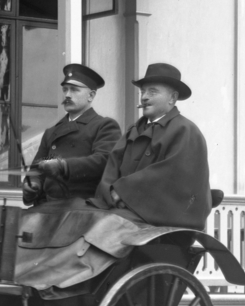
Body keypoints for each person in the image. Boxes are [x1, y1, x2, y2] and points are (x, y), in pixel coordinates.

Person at [90, 62, 211, 230]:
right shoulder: (134, 130)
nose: (144, 97)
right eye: (143, 91)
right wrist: (110, 194)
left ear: (172, 98)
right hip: (122, 212)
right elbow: (112, 166)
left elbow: (171, 175)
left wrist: (123, 193)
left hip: (161, 220)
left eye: (152, 91)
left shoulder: (186, 131)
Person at [23, 63, 121, 208]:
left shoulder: (104, 126)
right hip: (47, 208)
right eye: (65, 89)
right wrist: (32, 185)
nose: (67, 95)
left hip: (83, 209)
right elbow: (36, 170)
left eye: (74, 90)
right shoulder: (51, 132)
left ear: (91, 95)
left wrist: (64, 166)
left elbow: (103, 161)